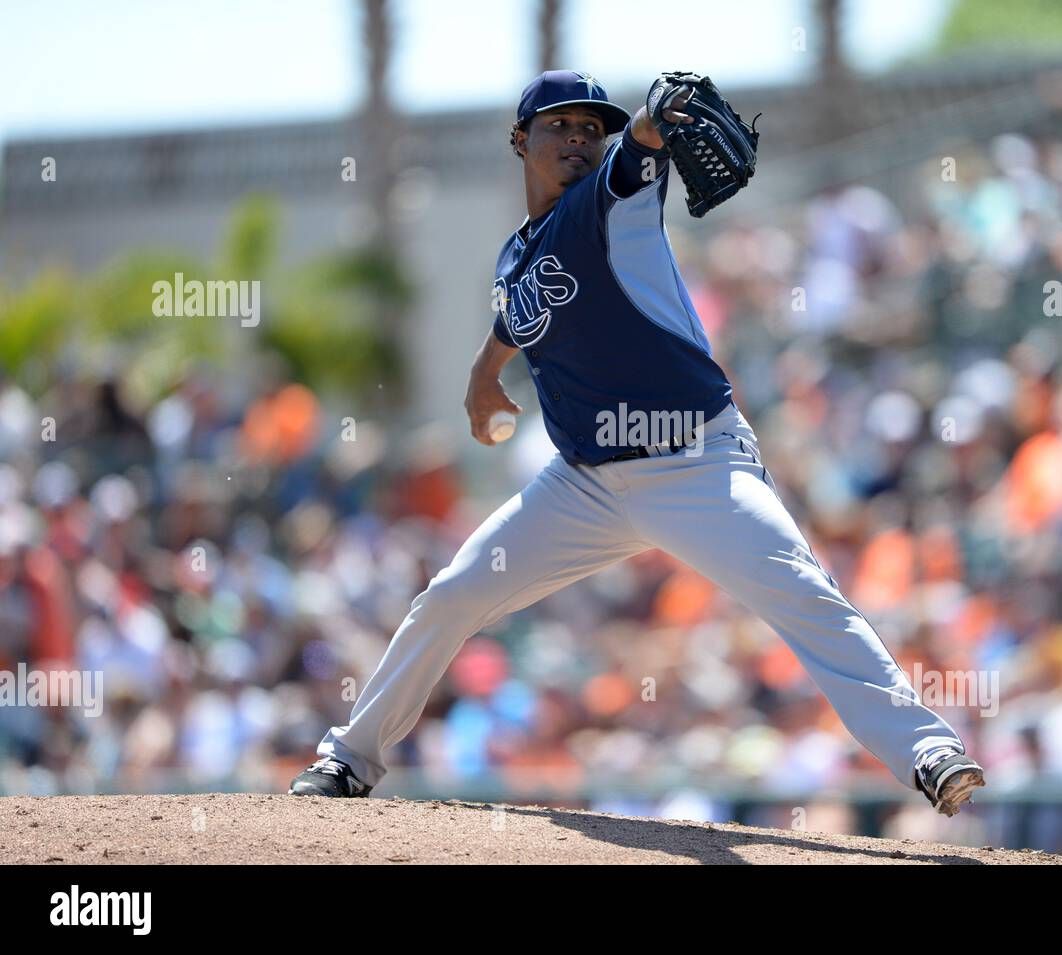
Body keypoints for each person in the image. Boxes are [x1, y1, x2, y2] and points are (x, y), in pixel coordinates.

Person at [289, 70, 985, 816]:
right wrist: (482, 375)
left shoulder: (613, 198)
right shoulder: (513, 256)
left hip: (697, 465)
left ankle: (926, 748)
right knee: (452, 595)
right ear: (521, 140)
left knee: (801, 591)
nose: (581, 139)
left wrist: (654, 115)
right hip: (582, 486)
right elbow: (517, 314)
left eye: (592, 128)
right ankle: (350, 759)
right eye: (561, 126)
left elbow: (641, 142)